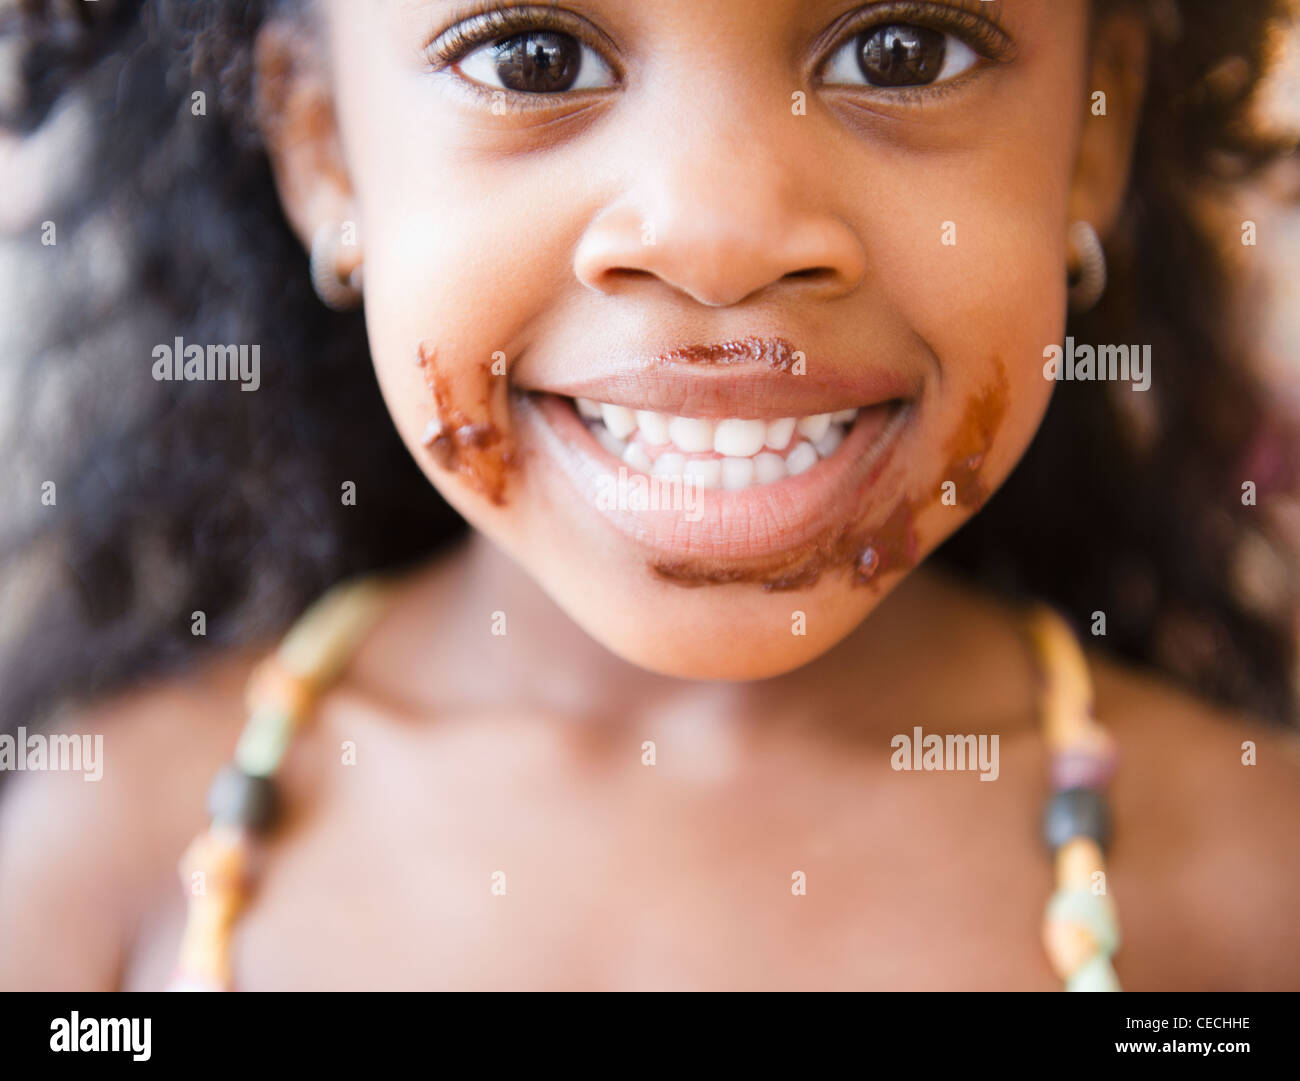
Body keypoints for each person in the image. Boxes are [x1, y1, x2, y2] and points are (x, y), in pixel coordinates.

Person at [1, 0, 1297, 991]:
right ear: (325, 152)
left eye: (902, 51)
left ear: (1092, 132)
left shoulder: (1245, 876)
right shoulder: (114, 859)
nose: (718, 234)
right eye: (533, 60)